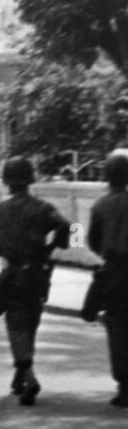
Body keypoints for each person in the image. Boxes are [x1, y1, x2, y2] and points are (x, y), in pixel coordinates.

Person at [0, 157, 71, 406]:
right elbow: (68, 225)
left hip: (13, 272)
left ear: (7, 182)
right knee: (31, 324)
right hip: (37, 272)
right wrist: (54, 248)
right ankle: (20, 376)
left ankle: (30, 378)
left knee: (17, 327)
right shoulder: (43, 207)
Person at [90, 150, 128, 406]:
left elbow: (93, 241)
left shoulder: (100, 205)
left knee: (117, 329)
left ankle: (124, 385)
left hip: (114, 272)